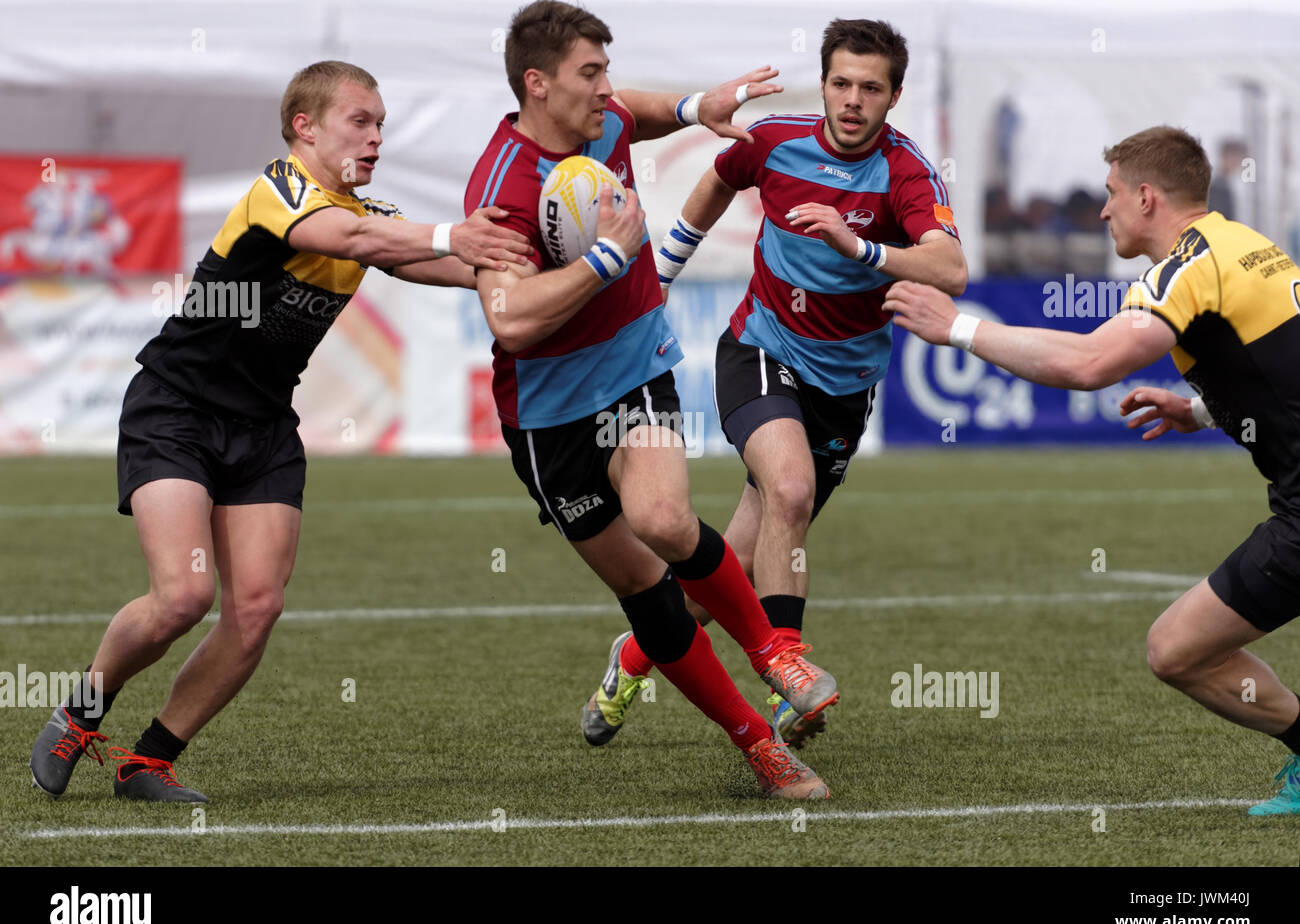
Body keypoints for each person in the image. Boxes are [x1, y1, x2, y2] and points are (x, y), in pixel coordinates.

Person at [29, 60, 532, 803]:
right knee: (183, 596)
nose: (376, 138)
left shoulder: (372, 216)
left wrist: (541, 266)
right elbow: (355, 238)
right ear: (306, 127)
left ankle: (149, 762)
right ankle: (80, 714)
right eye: (360, 121)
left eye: (381, 125)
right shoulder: (282, 189)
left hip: (263, 427)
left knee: (257, 608)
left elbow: (435, 262)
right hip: (176, 409)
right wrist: (451, 234)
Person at [465, 0, 833, 798]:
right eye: (590, 73)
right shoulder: (502, 185)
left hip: (635, 367)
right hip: (549, 416)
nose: (606, 88)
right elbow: (510, 319)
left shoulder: (601, 119)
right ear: (537, 84)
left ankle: (775, 652)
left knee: (665, 519)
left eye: (606, 70)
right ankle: (756, 744)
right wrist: (607, 257)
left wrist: (698, 106)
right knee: (644, 590)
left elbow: (635, 110)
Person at [884, 125, 1300, 816]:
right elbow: (1277, 367)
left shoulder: (1188, 265)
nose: (1103, 209)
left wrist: (958, 329)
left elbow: (1088, 363)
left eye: (1111, 193)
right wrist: (1200, 410)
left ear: (1146, 197)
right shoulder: (1248, 246)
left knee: (1177, 650)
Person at [595, 18, 967, 748]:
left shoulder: (907, 172)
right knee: (790, 490)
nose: (853, 100)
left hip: (845, 384)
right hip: (761, 349)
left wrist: (859, 245)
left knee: (730, 571)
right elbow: (717, 179)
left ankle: (632, 656)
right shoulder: (773, 141)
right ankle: (787, 675)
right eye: (841, 83)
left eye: (871, 88)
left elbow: (950, 268)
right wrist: (665, 269)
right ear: (822, 84)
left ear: (894, 97)